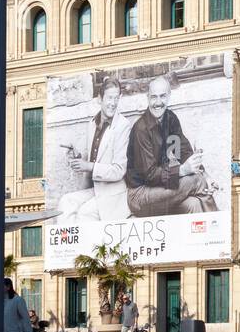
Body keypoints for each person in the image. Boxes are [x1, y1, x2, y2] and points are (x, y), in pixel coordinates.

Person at [126, 76, 218, 216]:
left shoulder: (170, 119)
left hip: (160, 189)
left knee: (193, 204)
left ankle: (204, 234)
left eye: (162, 96)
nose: (158, 102)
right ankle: (217, 228)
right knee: (197, 181)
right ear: (147, 98)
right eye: (153, 97)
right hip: (140, 195)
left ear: (169, 96)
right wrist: (183, 171)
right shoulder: (141, 130)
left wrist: (206, 175)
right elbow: (150, 175)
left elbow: (183, 152)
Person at [57, 77, 132, 225]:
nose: (113, 103)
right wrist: (77, 157)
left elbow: (118, 170)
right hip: (95, 190)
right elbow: (91, 156)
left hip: (113, 194)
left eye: (116, 98)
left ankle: (84, 248)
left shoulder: (123, 125)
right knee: (65, 203)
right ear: (100, 99)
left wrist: (88, 166)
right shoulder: (92, 123)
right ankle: (68, 248)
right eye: (109, 98)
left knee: (84, 213)